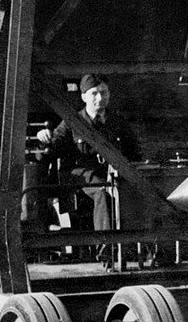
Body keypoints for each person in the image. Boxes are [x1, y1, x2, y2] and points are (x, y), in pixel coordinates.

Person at [39, 74, 142, 232]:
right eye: (94, 93)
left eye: (104, 92)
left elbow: (134, 154)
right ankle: (107, 243)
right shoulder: (71, 123)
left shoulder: (118, 123)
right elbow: (49, 152)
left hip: (112, 177)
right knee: (103, 191)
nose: (100, 98)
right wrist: (43, 140)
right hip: (80, 179)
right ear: (84, 97)